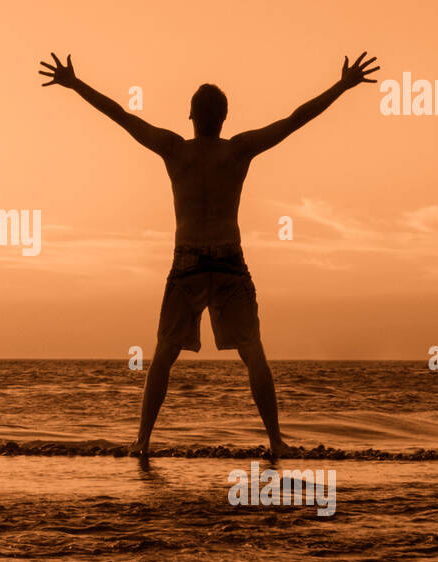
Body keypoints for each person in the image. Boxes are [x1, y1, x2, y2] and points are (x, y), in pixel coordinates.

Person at [38, 50, 380, 461]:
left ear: (191, 117)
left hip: (188, 264)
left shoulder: (174, 149)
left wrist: (75, 84)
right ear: (224, 117)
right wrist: (341, 86)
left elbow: (121, 116)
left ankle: (143, 441)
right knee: (253, 352)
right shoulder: (238, 150)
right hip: (229, 261)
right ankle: (276, 441)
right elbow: (294, 120)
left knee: (164, 353)